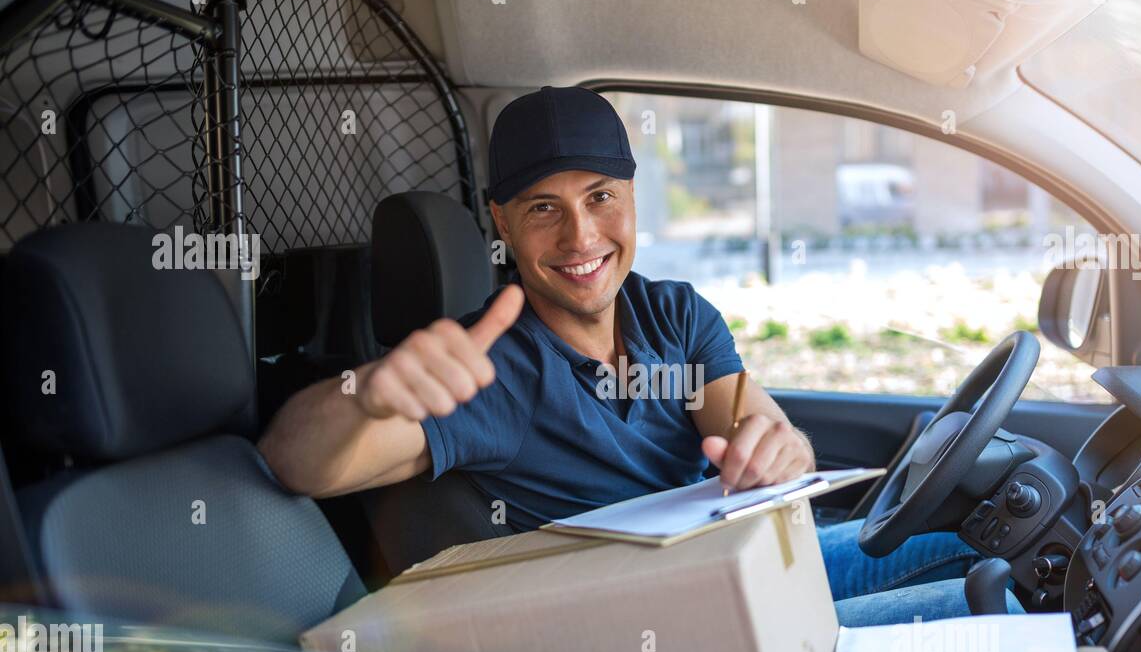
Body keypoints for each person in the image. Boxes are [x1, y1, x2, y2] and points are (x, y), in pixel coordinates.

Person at [258, 86, 1021, 624]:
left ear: (631, 193)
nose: (581, 239)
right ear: (501, 222)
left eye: (599, 198)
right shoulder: (485, 368)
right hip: (668, 632)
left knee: (989, 541)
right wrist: (364, 395)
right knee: (994, 609)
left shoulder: (676, 313)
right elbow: (297, 464)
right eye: (543, 211)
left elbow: (759, 429)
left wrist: (781, 451)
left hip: (751, 564)